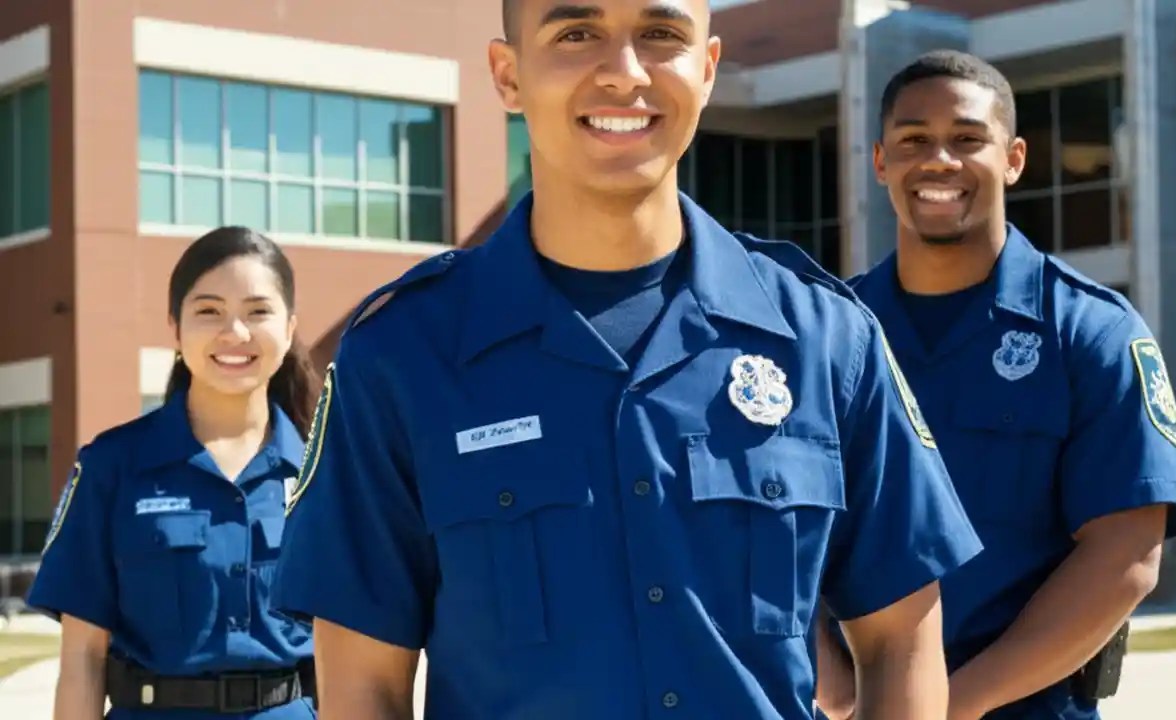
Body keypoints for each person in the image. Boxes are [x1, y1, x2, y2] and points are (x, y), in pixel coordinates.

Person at [270, 1, 983, 718]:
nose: (625, 72)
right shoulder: (402, 355)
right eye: (577, 34)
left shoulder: (825, 337)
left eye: (661, 35)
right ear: (508, 75)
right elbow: (364, 684)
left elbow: (902, 642)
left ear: (706, 71)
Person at [815, 50, 1176, 720]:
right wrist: (842, 691)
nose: (939, 161)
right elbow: (778, 529)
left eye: (968, 139)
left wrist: (946, 707)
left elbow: (1126, 558)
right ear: (880, 161)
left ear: (1014, 158)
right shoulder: (828, 334)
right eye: (914, 141)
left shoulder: (1090, 330)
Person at [27, 226, 321, 719]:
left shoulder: (324, 470)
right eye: (209, 311)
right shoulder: (112, 466)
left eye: (257, 311)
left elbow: (358, 657)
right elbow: (81, 659)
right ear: (175, 328)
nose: (235, 333)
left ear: (289, 329)